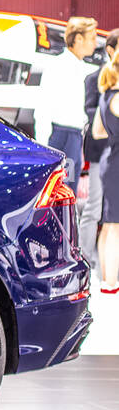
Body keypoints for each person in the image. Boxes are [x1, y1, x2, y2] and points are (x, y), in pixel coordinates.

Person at [37, 16, 99, 190]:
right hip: (60, 136)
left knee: (69, 190)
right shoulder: (57, 66)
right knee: (59, 191)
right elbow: (43, 107)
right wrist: (45, 148)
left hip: (75, 136)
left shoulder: (83, 68)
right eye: (92, 38)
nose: (95, 43)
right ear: (79, 38)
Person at [92, 49, 119, 293]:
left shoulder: (106, 95)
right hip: (117, 164)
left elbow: (97, 132)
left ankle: (106, 279)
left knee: (109, 223)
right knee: (114, 225)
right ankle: (111, 282)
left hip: (110, 160)